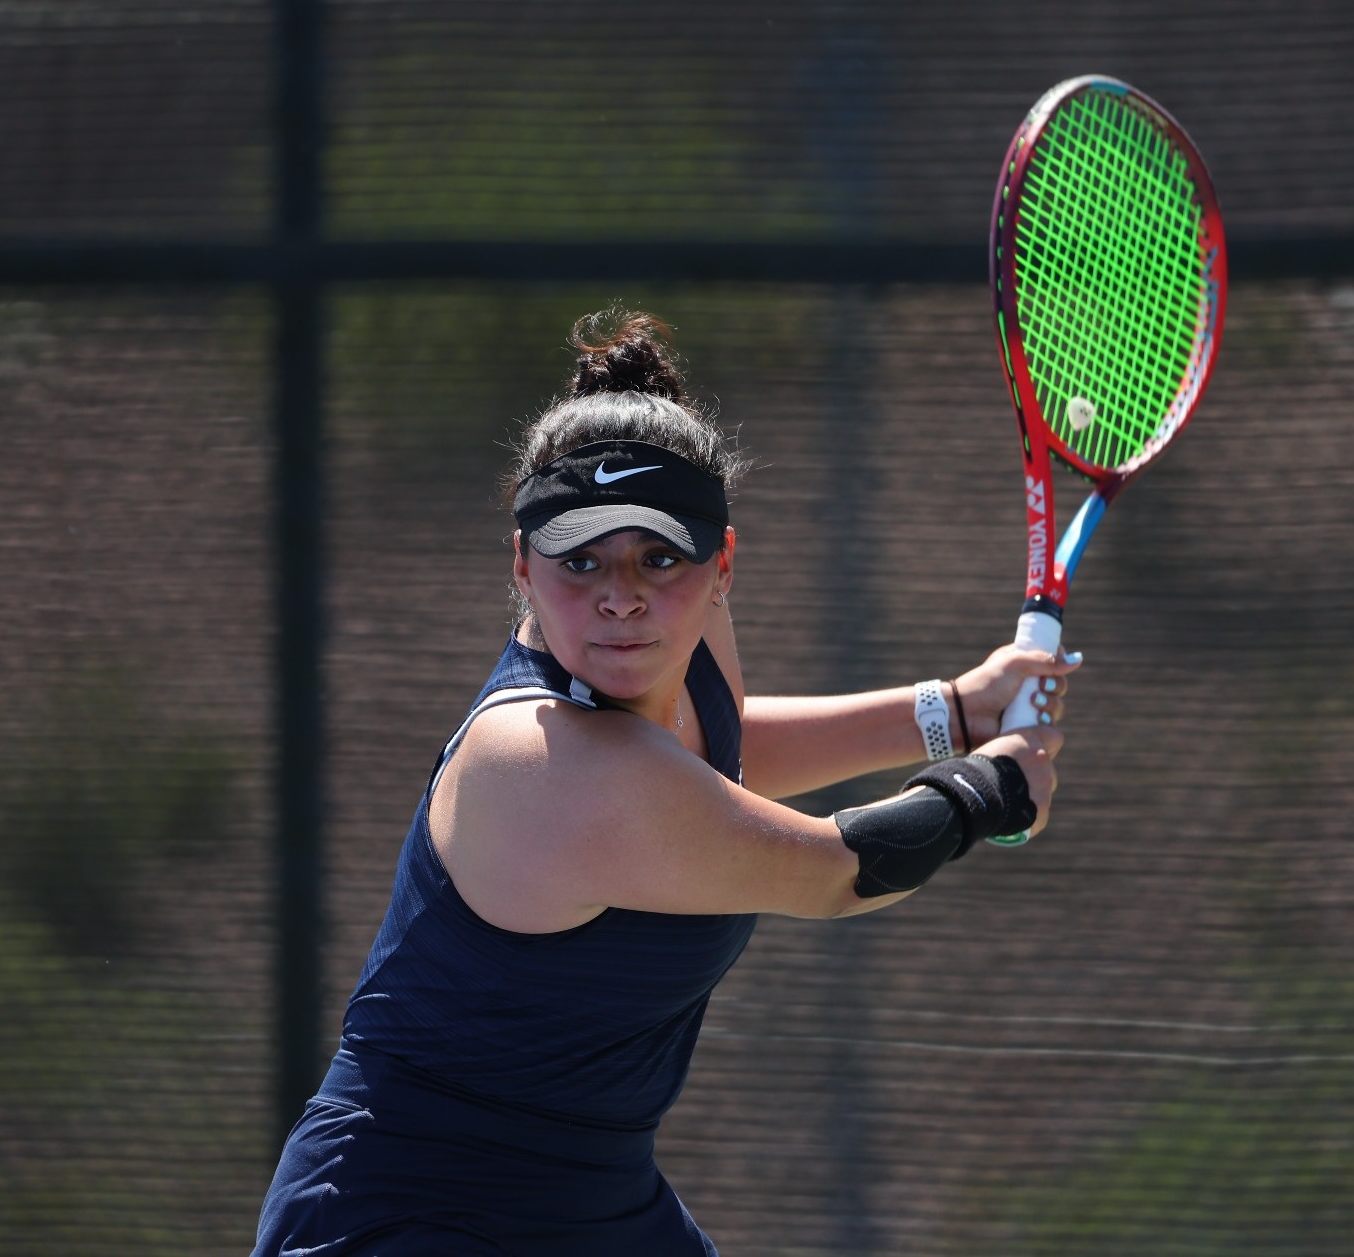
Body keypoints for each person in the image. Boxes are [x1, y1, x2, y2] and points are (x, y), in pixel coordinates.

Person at [252, 307, 1077, 1256]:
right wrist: (986, 791)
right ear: (522, 566)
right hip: (409, 1209)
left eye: (659, 557)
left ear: (721, 564)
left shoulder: (660, 666)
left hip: (595, 1191)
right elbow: (834, 871)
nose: (620, 594)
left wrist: (954, 710)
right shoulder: (541, 763)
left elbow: (700, 769)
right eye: (580, 560)